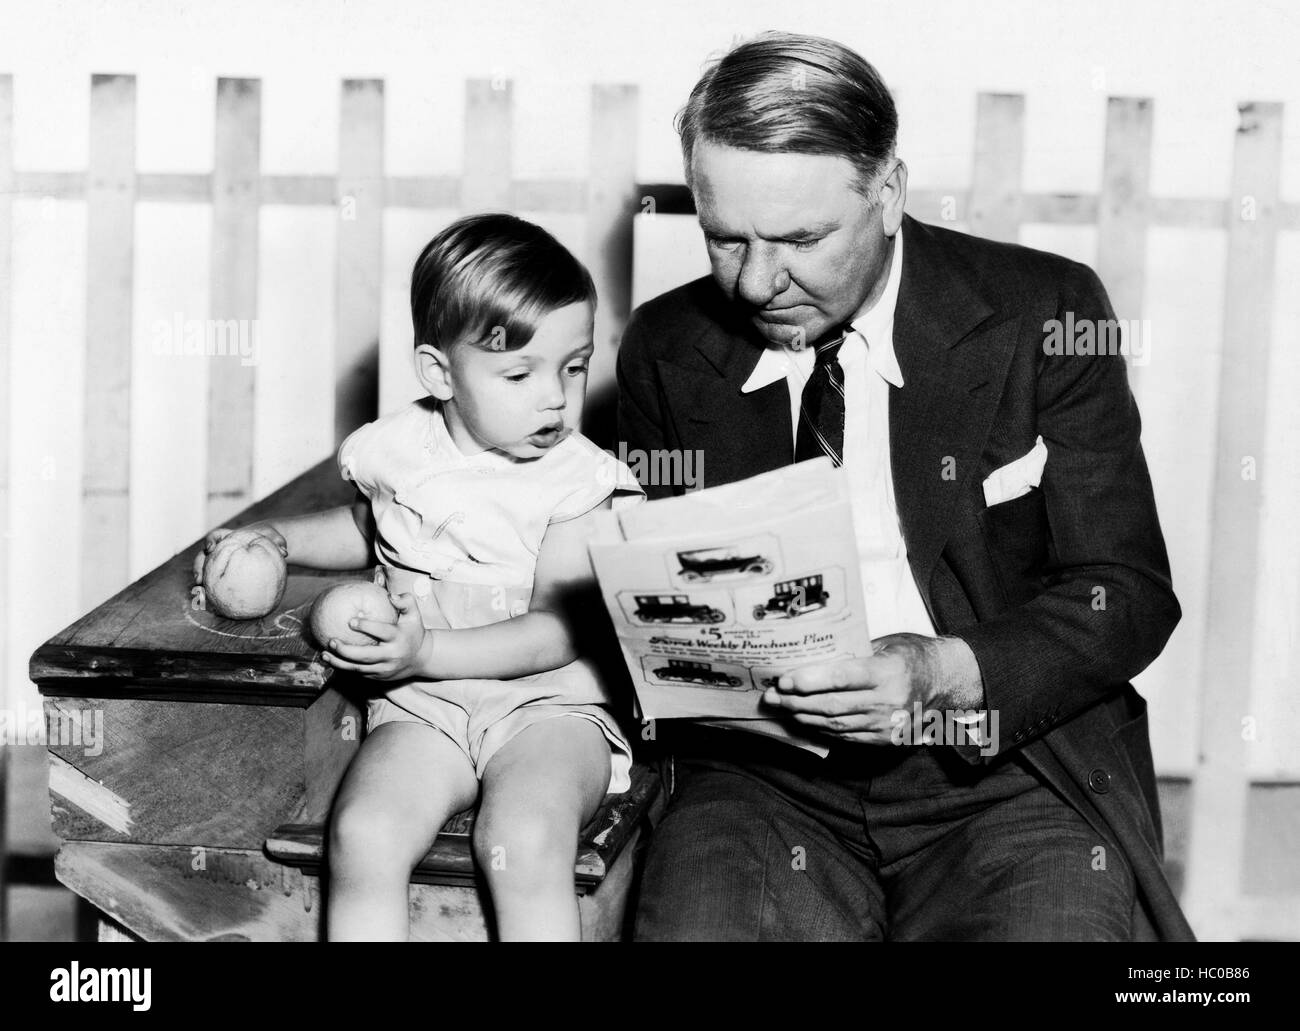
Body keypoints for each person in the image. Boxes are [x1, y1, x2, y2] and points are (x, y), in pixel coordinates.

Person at [618, 31, 1193, 941]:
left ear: (888, 193)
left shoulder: (1045, 313)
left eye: (802, 238)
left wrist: (942, 673)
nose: (760, 283)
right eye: (726, 240)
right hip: (764, 785)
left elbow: (1127, 596)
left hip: (1006, 770)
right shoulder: (666, 346)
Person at [196, 213, 644, 941]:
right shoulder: (402, 450)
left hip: (547, 710)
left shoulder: (578, 479)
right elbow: (372, 528)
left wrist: (424, 651)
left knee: (523, 838)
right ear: (440, 372)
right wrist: (277, 538)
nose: (555, 398)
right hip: (424, 707)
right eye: (519, 373)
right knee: (365, 833)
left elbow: (556, 631)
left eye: (574, 365)